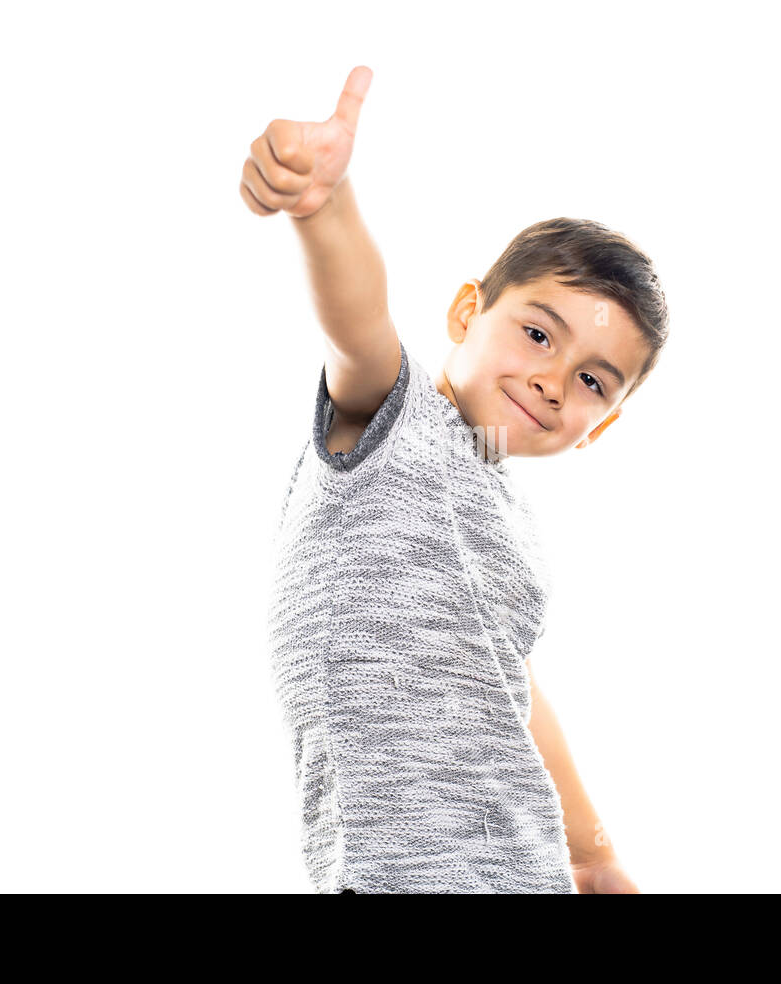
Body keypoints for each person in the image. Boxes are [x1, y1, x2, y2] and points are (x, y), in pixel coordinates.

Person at [246, 66, 667, 893]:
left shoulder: (509, 522)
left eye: (592, 382)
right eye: (539, 334)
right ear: (467, 313)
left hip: (524, 872)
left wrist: (593, 854)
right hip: (402, 872)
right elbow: (359, 325)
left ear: (602, 425)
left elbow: (510, 682)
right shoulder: (397, 421)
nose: (554, 380)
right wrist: (324, 207)